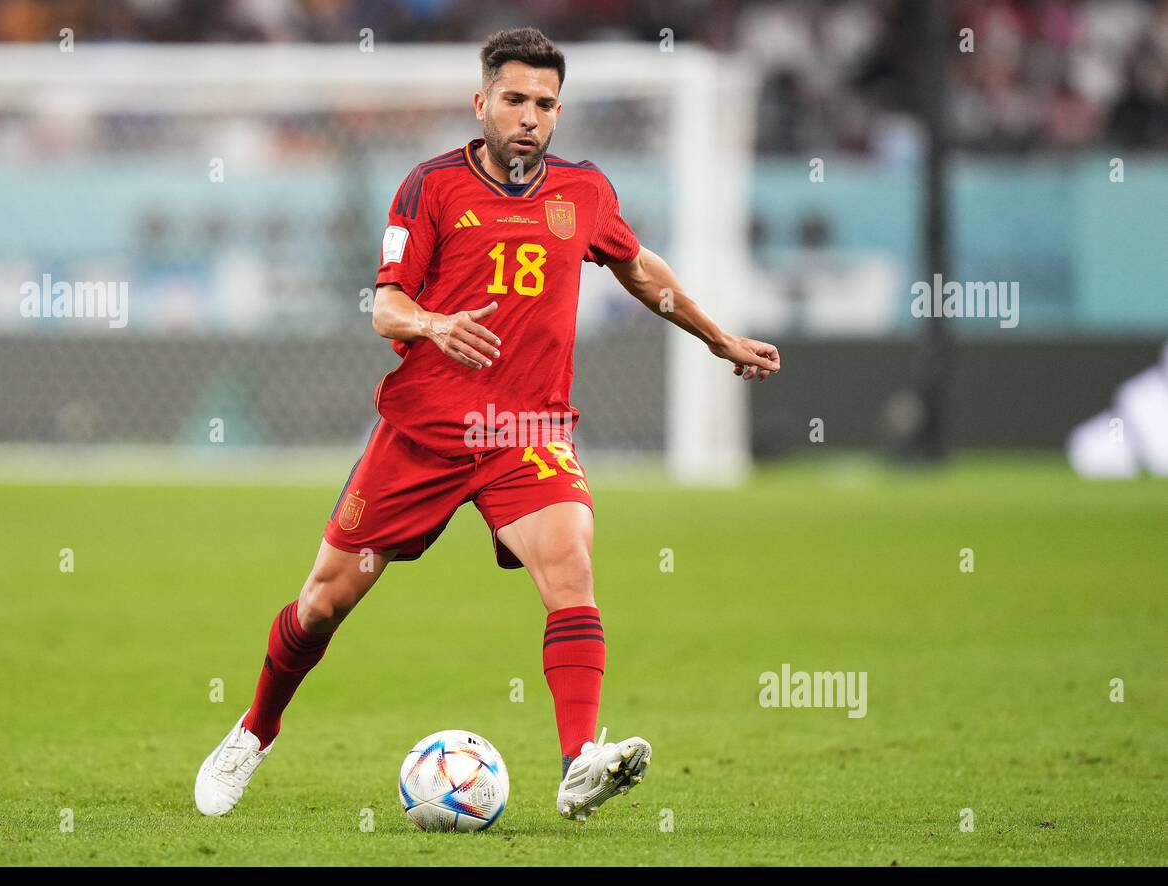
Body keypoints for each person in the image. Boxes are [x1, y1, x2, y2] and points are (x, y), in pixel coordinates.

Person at [195, 26, 780, 823]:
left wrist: (720, 339)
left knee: (570, 564)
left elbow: (639, 268)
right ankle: (254, 732)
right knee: (324, 603)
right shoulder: (430, 187)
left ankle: (578, 763)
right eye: (514, 99)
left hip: (526, 435)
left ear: (558, 111)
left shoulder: (585, 192)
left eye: (544, 103)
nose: (529, 116)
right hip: (424, 434)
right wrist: (433, 325)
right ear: (481, 103)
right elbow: (385, 306)